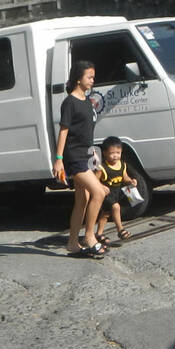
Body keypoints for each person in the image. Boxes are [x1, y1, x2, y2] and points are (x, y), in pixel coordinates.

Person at [53, 60, 110, 258]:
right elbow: (64, 131)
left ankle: (72, 243)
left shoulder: (87, 101)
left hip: (86, 154)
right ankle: (89, 236)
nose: (93, 80)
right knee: (99, 192)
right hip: (73, 156)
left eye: (93, 77)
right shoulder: (69, 102)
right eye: (89, 77)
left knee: (83, 199)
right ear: (78, 78)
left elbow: (86, 131)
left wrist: (93, 152)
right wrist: (59, 159)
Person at [94, 136, 139, 243]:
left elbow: (125, 177)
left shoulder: (122, 165)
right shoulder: (102, 167)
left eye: (118, 153)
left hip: (117, 192)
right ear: (104, 153)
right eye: (112, 153)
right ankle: (120, 229)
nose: (115, 156)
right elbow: (94, 181)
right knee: (116, 207)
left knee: (106, 214)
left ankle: (99, 234)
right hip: (106, 194)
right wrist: (101, 186)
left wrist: (131, 181)